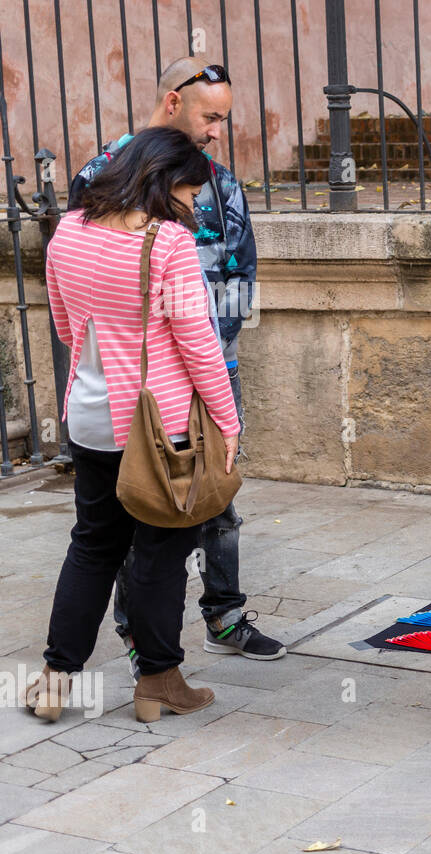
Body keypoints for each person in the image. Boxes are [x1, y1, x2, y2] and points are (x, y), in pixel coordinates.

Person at [67, 57, 283, 674]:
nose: (217, 130)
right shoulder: (105, 171)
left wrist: (215, 354)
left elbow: (242, 269)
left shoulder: (218, 180)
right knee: (139, 505)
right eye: (210, 116)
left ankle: (225, 615)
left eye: (223, 118)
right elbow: (81, 266)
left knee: (216, 497)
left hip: (212, 367)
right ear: (171, 103)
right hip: (138, 380)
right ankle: (142, 642)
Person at [27, 127, 240, 723]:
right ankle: (158, 684)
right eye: (192, 196)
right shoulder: (166, 244)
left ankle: (54, 679)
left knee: (93, 546)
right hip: (158, 430)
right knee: (160, 557)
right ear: (164, 182)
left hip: (89, 418)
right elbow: (198, 345)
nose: (195, 208)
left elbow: (67, 329)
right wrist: (227, 422)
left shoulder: (68, 229)